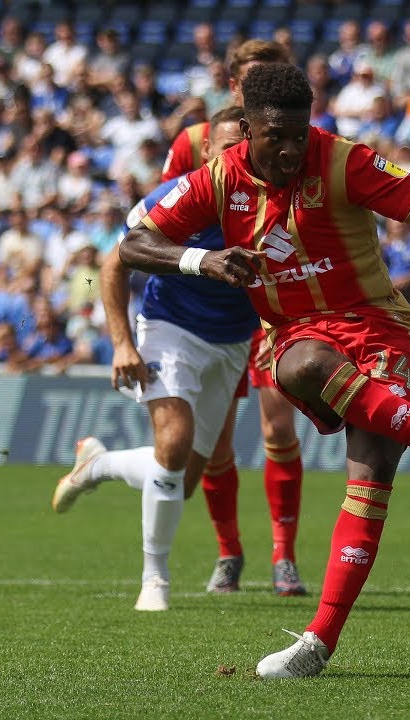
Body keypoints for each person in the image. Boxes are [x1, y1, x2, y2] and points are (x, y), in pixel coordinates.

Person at [118, 63, 410, 677]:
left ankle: (316, 644)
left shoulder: (343, 160)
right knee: (307, 363)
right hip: (296, 335)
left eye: (298, 133)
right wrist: (201, 259)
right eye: (275, 136)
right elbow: (133, 244)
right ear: (248, 133)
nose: (291, 149)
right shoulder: (218, 179)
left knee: (370, 481)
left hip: (377, 326)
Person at [50, 107, 257, 613]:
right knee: (174, 441)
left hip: (233, 343)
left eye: (243, 148)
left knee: (180, 480)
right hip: (171, 328)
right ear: (206, 152)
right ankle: (154, 582)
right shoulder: (177, 197)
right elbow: (112, 265)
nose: (234, 157)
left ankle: (98, 464)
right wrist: (122, 344)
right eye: (225, 147)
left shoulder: (269, 201)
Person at [157, 40, 308, 598]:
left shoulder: (294, 137)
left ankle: (284, 557)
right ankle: (228, 553)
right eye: (251, 83)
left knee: (277, 427)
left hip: (271, 308)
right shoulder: (194, 143)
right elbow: (167, 218)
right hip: (212, 313)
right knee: (213, 450)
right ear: (233, 87)